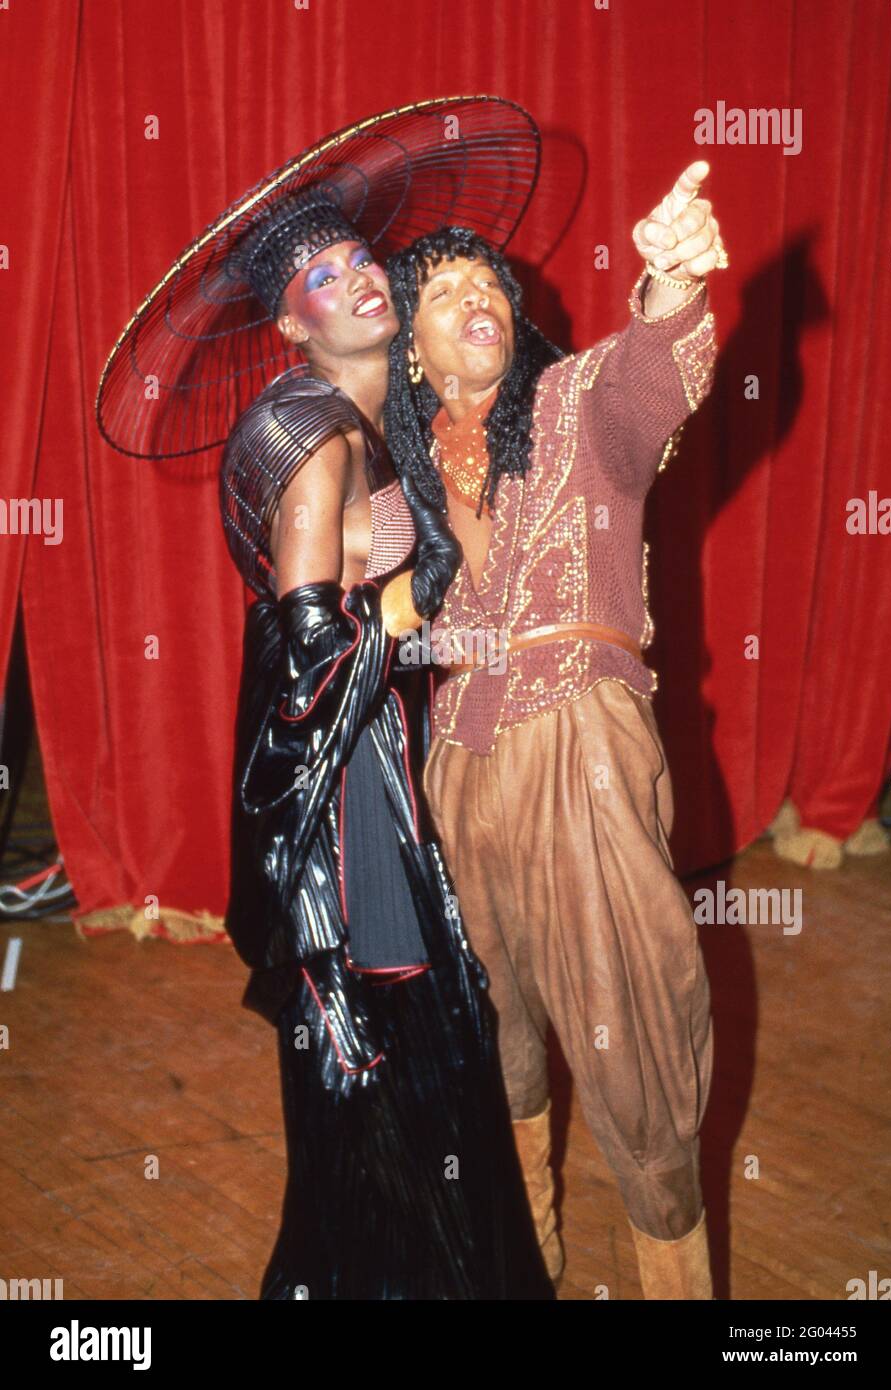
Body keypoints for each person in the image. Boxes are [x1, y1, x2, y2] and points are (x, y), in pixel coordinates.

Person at [95, 98, 554, 1300]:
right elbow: (301, 659)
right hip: (345, 824)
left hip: (370, 781)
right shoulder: (314, 440)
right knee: (386, 1090)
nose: (350, 280)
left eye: (356, 260)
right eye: (317, 278)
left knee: (395, 1102)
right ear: (288, 325)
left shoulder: (350, 424)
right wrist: (401, 620)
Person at [383, 160, 725, 1298]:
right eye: (440, 292)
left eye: (489, 282)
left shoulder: (577, 407)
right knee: (501, 1048)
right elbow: (352, 607)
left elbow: (650, 382)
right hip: (462, 778)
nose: (474, 292)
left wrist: (667, 279)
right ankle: (523, 1270)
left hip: (577, 746)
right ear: (414, 355)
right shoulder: (407, 488)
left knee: (629, 1035)